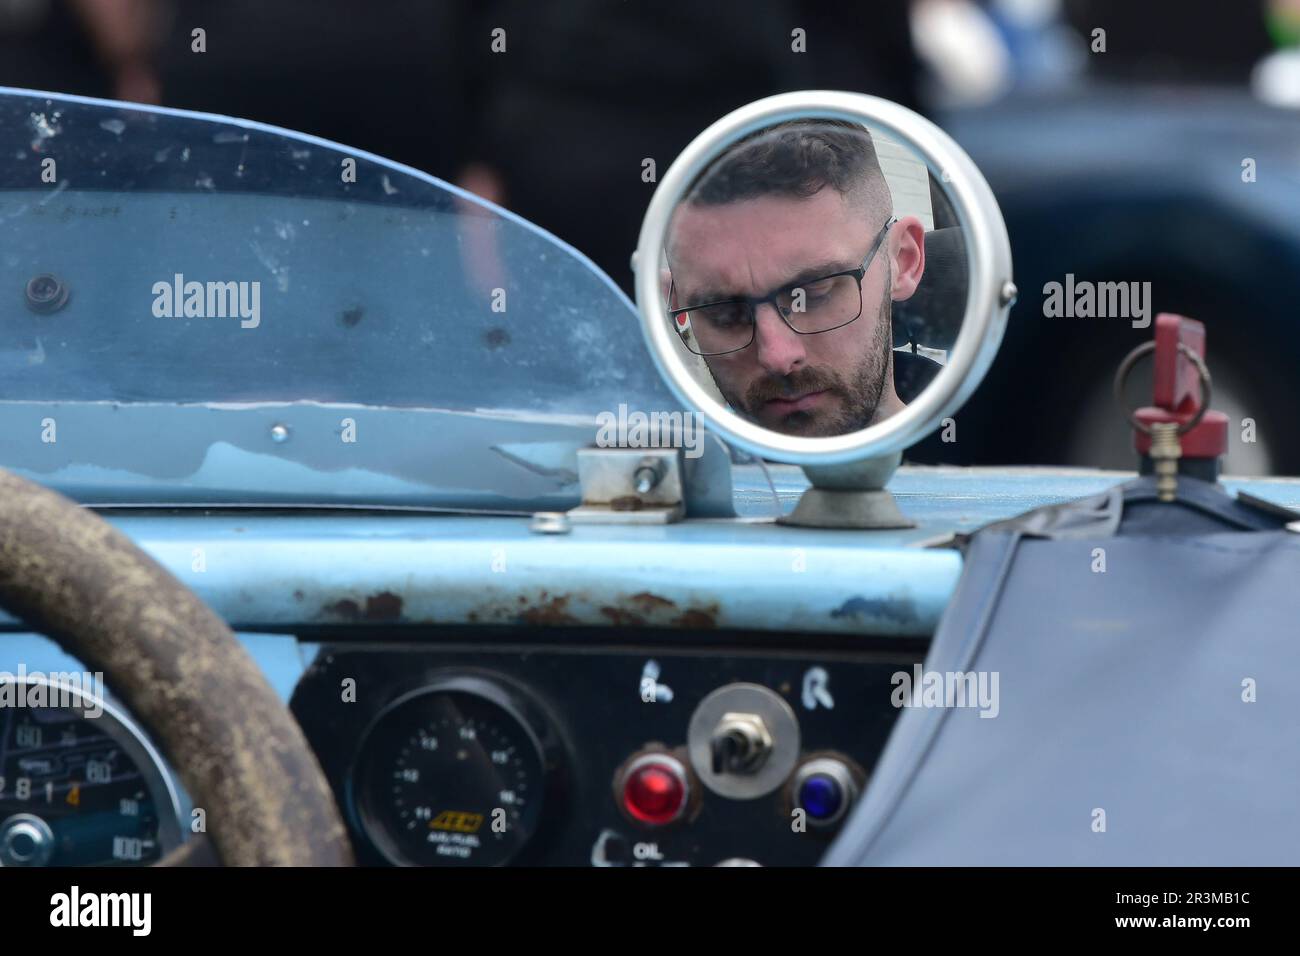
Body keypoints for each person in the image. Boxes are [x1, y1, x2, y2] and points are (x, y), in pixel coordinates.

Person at [664, 119, 930, 438]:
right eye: (725, 314)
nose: (777, 357)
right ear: (678, 306)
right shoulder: (673, 468)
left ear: (903, 260)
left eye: (815, 293)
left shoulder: (993, 455)